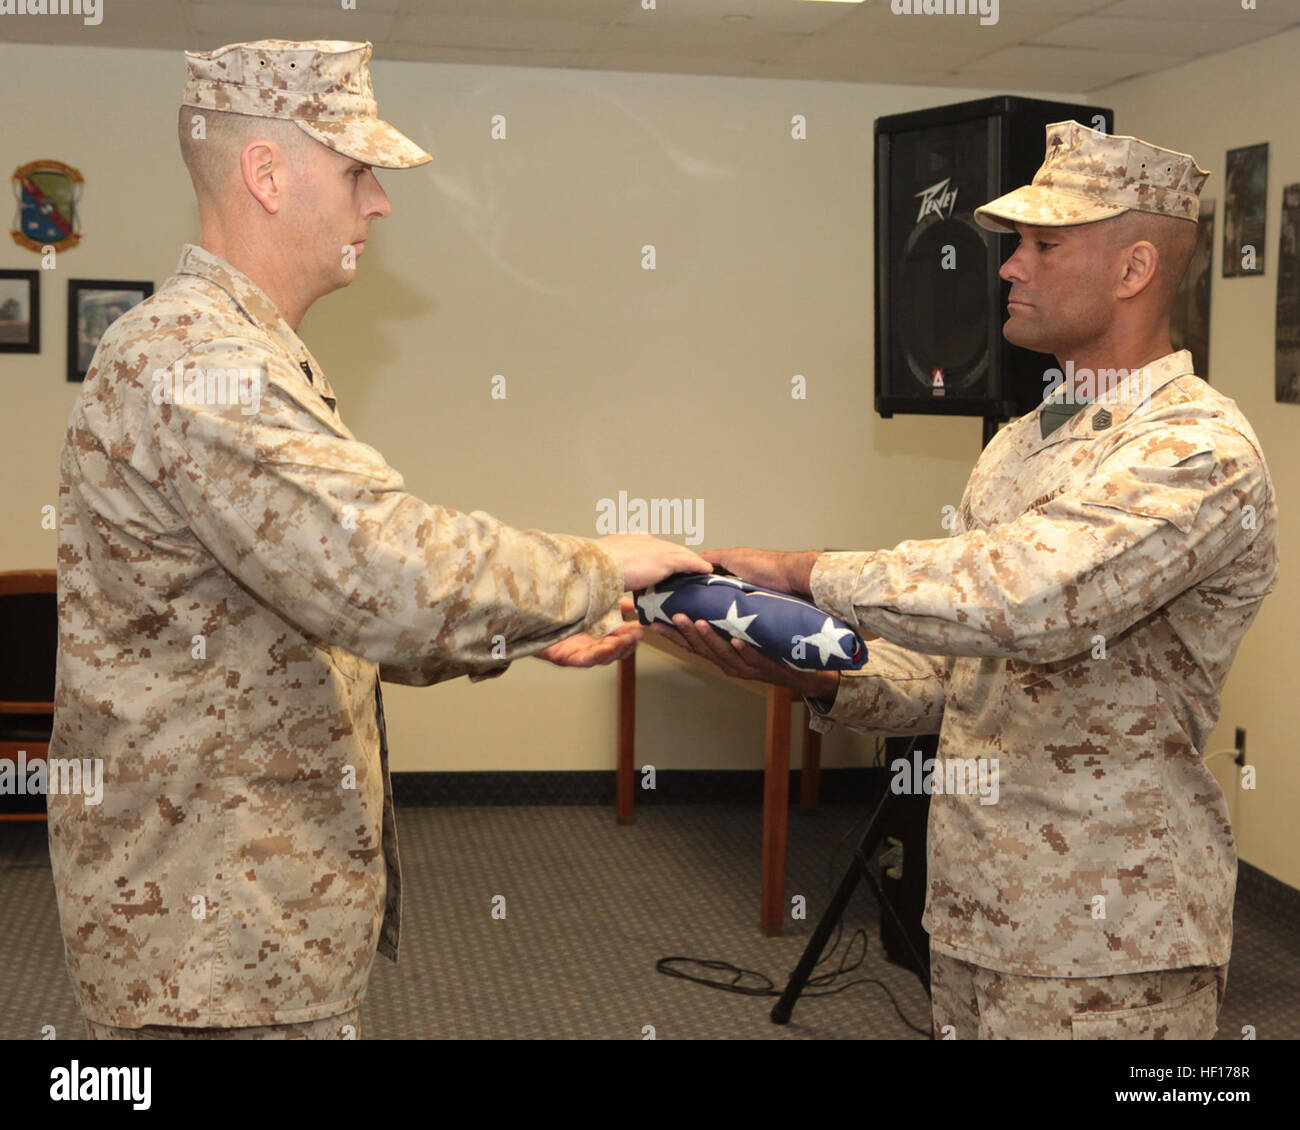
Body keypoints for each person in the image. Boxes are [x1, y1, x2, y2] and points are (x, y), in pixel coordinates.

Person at [46, 38, 707, 1041]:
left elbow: (309, 608)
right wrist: (595, 564)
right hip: (211, 939)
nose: (379, 203)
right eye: (357, 172)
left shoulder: (242, 351)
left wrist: (523, 629)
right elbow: (387, 571)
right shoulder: (203, 363)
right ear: (266, 174)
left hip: (242, 908)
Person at [657, 121, 1279, 1039]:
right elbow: (964, 676)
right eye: (1016, 246)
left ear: (1135, 268)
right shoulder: (1020, 445)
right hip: (979, 906)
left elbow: (1022, 600)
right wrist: (817, 678)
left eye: (1044, 245)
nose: (1009, 269)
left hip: (1112, 938)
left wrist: (803, 572)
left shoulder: (1196, 450)